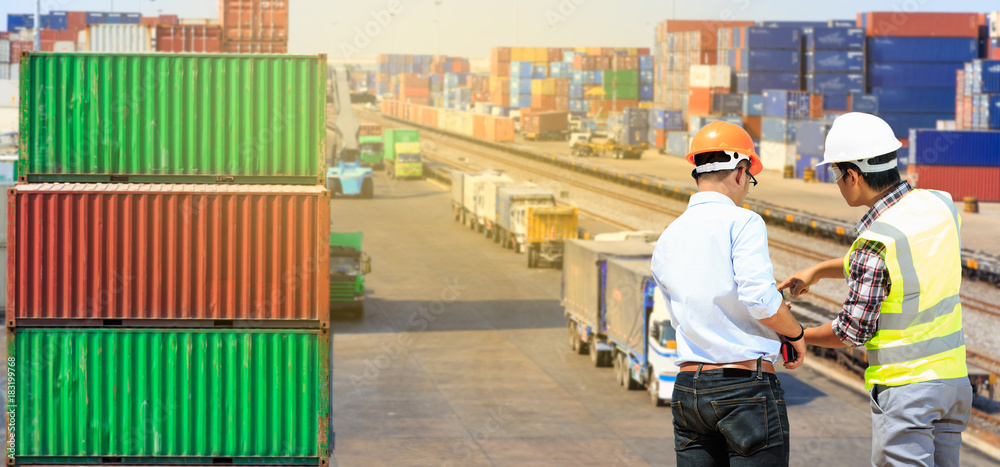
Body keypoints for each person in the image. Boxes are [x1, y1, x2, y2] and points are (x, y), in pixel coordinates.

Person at [778, 112, 971, 467]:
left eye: (835, 173)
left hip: (907, 391)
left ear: (852, 174)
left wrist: (799, 335)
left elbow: (851, 330)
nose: (836, 182)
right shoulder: (941, 205)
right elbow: (904, 261)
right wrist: (819, 270)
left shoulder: (875, 242)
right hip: (953, 385)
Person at [652, 120, 806, 466]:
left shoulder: (668, 236)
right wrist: (793, 332)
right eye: (751, 179)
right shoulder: (743, 222)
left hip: (688, 391)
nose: (748, 187)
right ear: (740, 171)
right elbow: (759, 299)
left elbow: (686, 313)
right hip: (744, 392)